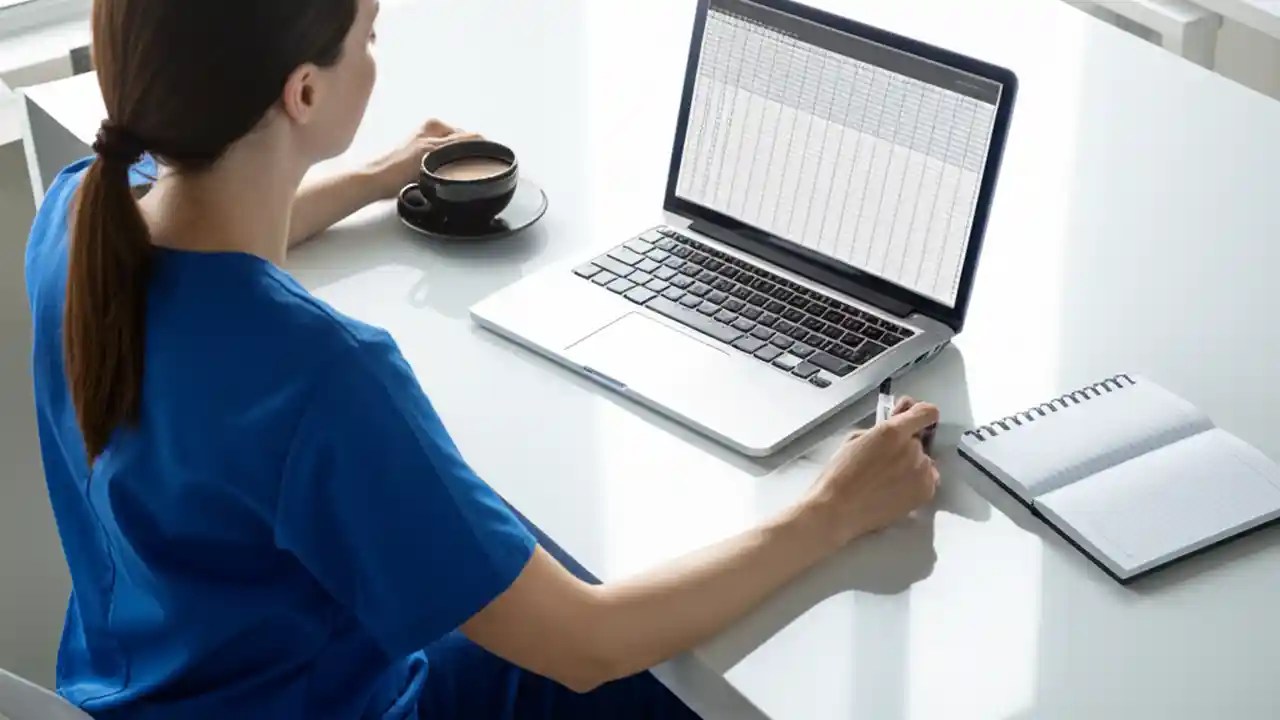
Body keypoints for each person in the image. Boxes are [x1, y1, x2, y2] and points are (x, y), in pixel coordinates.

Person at [23, 0, 942, 718]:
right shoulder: (318, 375)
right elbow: (586, 644)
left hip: (152, 688)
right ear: (303, 94)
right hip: (336, 705)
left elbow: (211, 234)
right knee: (681, 674)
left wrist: (370, 178)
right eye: (368, 36)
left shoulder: (79, 217)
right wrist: (830, 510)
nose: (375, 53)